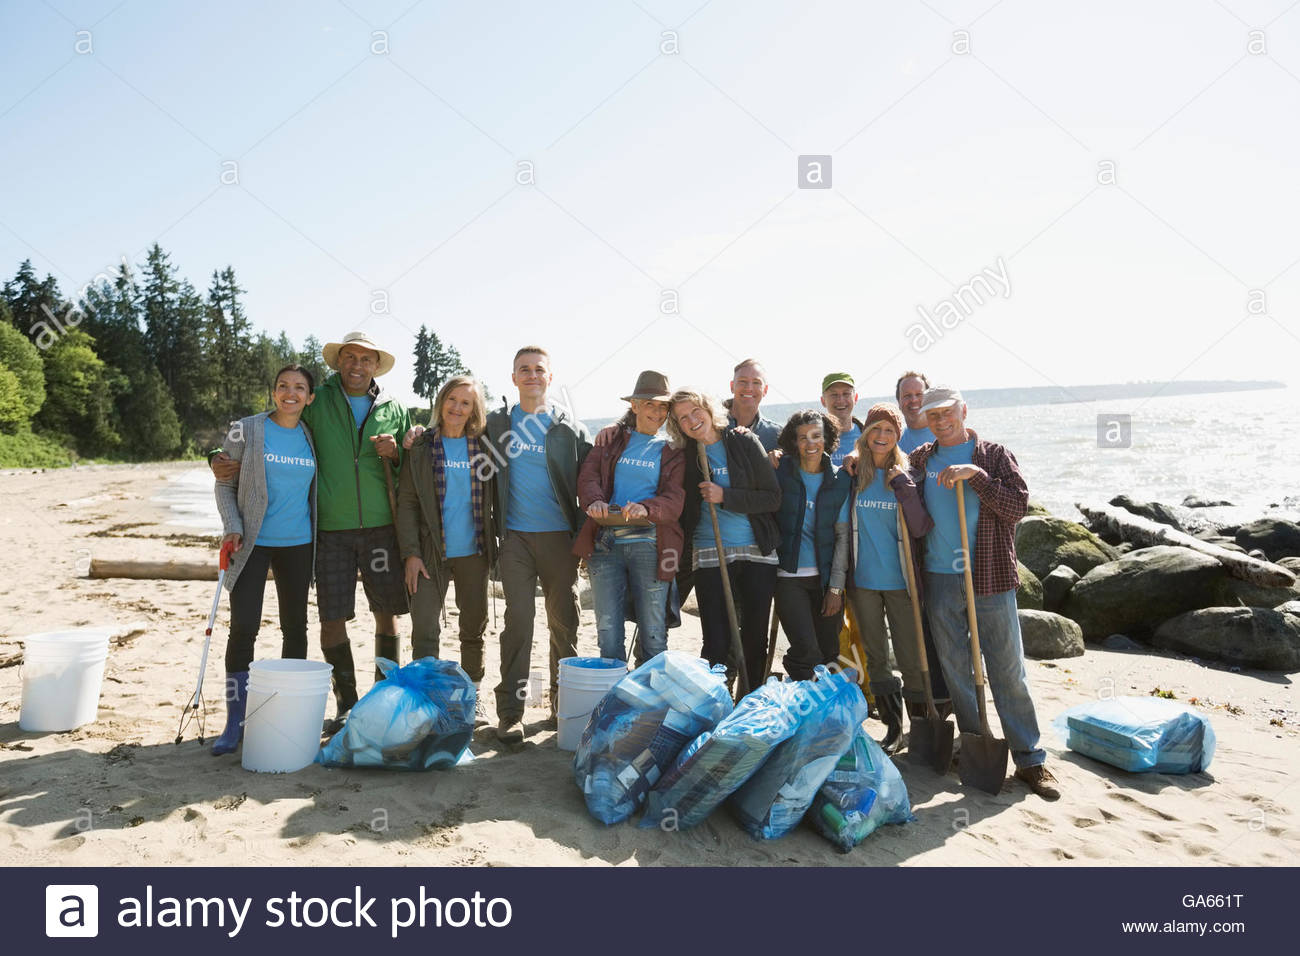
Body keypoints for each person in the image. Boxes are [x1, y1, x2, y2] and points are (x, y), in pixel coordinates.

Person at [211, 330, 412, 732]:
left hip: (380, 529)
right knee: (331, 618)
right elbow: (262, 430)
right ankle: (347, 705)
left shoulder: (394, 407)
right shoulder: (318, 400)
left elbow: (411, 465)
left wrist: (399, 453)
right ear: (339, 362)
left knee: (386, 616)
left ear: (376, 365)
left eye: (366, 359)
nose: (357, 365)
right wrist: (213, 455)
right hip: (330, 532)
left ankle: (383, 700)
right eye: (350, 357)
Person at [910, 385, 1061, 800]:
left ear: (963, 411)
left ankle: (1030, 758)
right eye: (933, 415)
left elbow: (1017, 508)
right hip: (940, 577)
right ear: (925, 420)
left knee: (1007, 669)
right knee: (958, 671)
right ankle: (977, 744)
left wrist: (978, 479)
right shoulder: (921, 460)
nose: (941, 421)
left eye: (947, 413)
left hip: (989, 576)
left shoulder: (993, 455)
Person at [483, 346, 592, 744]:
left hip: (559, 539)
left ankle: (562, 708)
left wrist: (586, 538)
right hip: (514, 538)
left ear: (550, 376)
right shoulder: (495, 424)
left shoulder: (569, 429)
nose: (531, 375)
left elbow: (593, 478)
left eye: (538, 369)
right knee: (520, 620)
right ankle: (510, 713)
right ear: (513, 378)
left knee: (565, 622)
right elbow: (452, 432)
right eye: (523, 370)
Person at [211, 365, 318, 755]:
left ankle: (289, 711)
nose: (290, 393)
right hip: (252, 543)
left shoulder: (311, 434)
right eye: (283, 386)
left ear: (309, 397)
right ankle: (234, 724)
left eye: (299, 388)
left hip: (299, 543)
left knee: (296, 627)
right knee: (243, 628)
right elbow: (224, 482)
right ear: (273, 392)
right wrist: (232, 526)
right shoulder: (246, 428)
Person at [669, 388, 780, 692]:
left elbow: (772, 498)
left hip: (756, 552)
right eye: (682, 418)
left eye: (695, 411)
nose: (692, 420)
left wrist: (725, 496)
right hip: (709, 552)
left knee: (754, 637)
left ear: (709, 409)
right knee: (716, 641)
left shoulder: (742, 441)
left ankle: (750, 702)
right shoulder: (685, 455)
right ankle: (715, 702)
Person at [573, 370, 684, 664]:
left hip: (650, 546)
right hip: (605, 545)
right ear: (634, 405)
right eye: (649, 404)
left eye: (663, 406)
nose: (657, 412)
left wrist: (648, 508)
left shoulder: (671, 450)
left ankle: (648, 703)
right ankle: (614, 704)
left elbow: (675, 499)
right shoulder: (610, 441)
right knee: (608, 631)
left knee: (653, 635)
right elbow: (588, 477)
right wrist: (595, 502)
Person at [395, 375, 495, 700]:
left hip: (474, 552)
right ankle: (426, 698)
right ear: (441, 402)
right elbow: (407, 501)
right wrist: (411, 553)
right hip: (429, 552)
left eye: (465, 402)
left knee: (473, 629)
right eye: (452, 399)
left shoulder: (484, 446)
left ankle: (472, 697)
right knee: (424, 628)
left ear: (474, 409)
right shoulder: (422, 447)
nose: (457, 407)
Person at [847, 403, 933, 754]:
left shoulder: (907, 474)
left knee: (912, 656)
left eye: (889, 431)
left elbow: (921, 527)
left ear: (898, 436)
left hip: (901, 583)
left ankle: (920, 728)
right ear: (866, 436)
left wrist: (905, 488)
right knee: (876, 657)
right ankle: (894, 729)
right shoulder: (853, 475)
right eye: (875, 430)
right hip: (864, 582)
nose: (881, 437)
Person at [772, 410, 852, 681]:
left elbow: (843, 537)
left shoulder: (841, 480)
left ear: (826, 437)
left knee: (830, 652)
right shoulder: (781, 473)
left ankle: (823, 714)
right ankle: (801, 706)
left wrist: (836, 589)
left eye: (816, 436)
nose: (810, 443)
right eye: (802, 437)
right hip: (788, 578)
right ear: (793, 442)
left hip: (826, 581)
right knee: (806, 651)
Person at [725, 358, 782, 453]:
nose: (749, 388)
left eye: (756, 382)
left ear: (765, 390)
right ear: (732, 386)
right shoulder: (712, 425)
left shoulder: (775, 435)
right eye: (743, 381)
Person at [820, 372, 864, 467]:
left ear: (855, 398)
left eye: (846, 394)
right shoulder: (814, 439)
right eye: (834, 394)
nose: (840, 400)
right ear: (823, 401)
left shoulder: (868, 436)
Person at [895, 370, 933, 454]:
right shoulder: (894, 444)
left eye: (919, 394)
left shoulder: (946, 435)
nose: (913, 400)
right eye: (907, 395)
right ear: (899, 403)